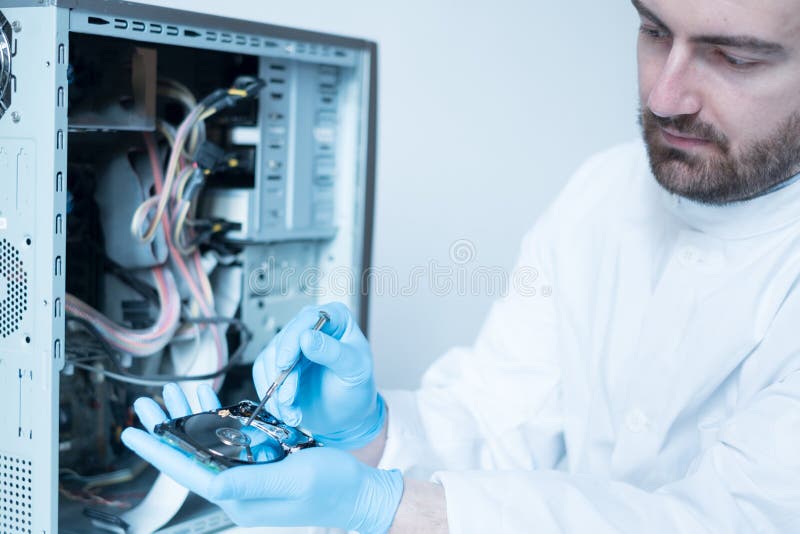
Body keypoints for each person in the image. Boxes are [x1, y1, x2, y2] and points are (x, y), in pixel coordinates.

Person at [123, 0, 800, 531]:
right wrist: (371, 435)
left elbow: (732, 523)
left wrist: (384, 507)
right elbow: (503, 423)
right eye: (653, 30)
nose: (664, 95)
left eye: (735, 58)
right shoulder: (606, 191)